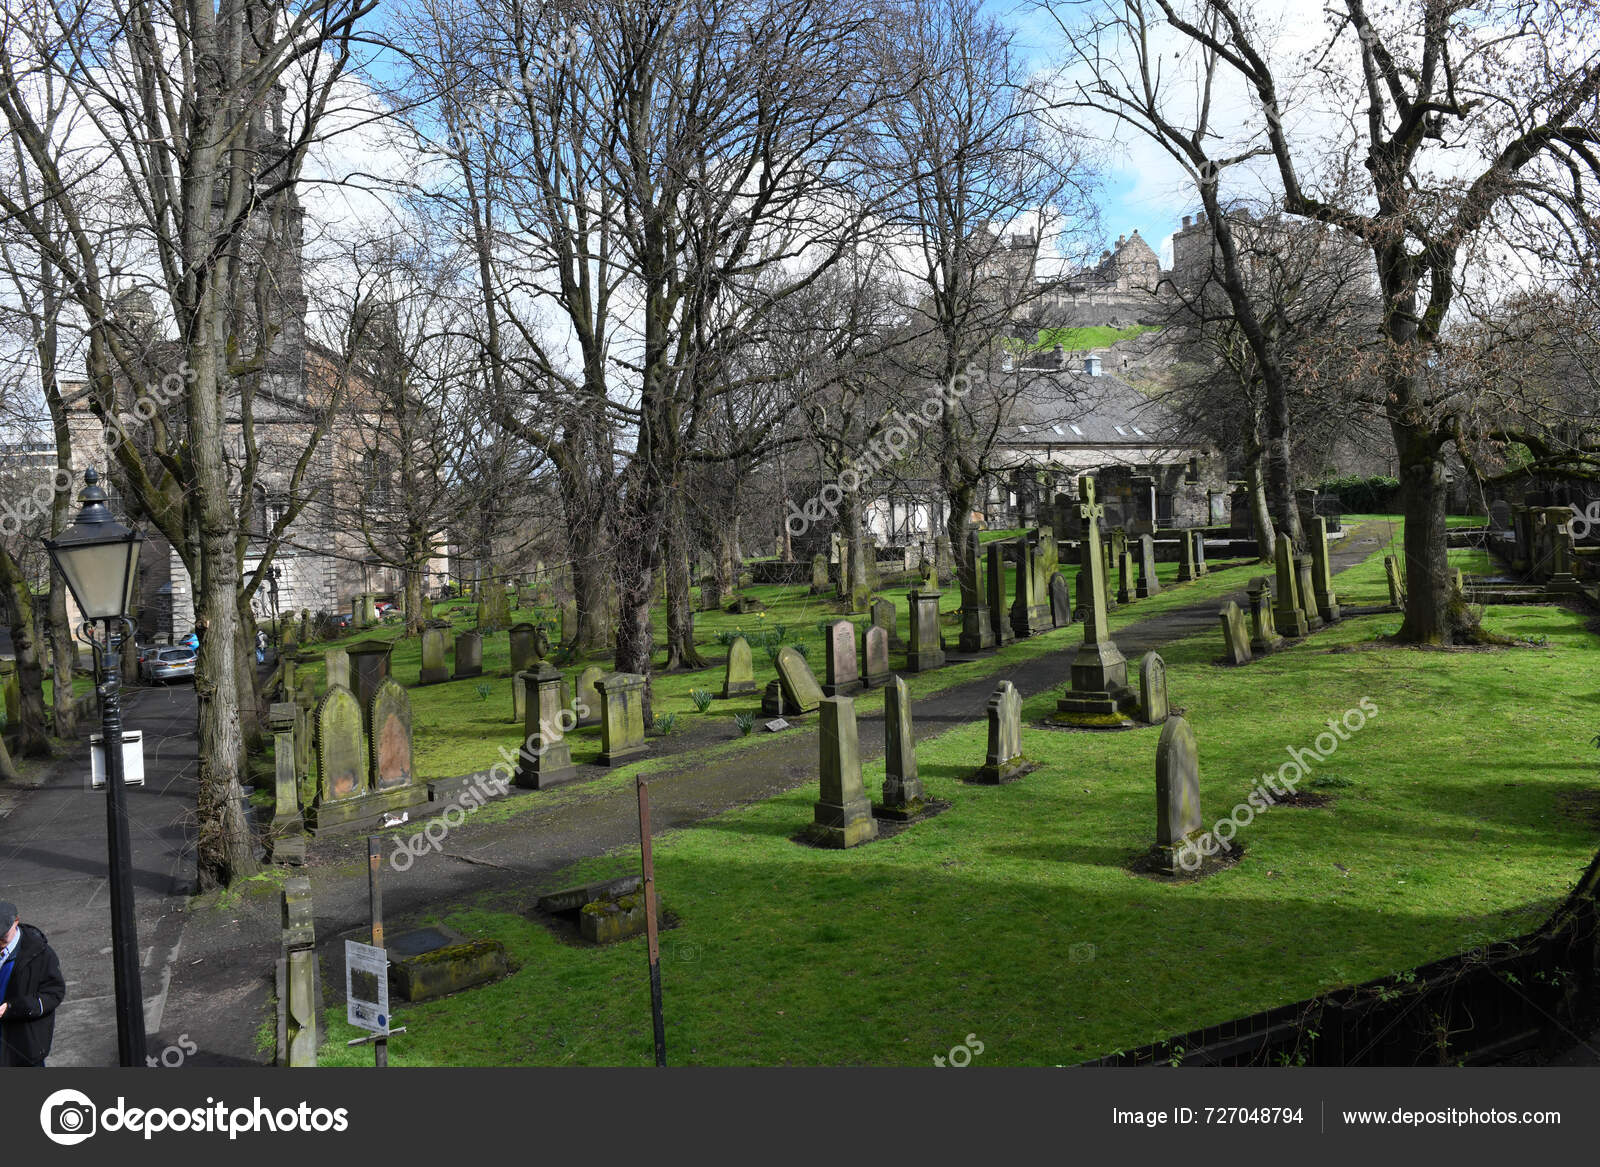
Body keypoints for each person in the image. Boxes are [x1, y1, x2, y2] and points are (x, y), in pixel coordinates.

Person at [0, 901, 66, 1067]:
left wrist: (13, 1007)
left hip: (23, 1046)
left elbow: (54, 993)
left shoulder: (41, 955)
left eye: (2, 937)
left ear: (16, 921)